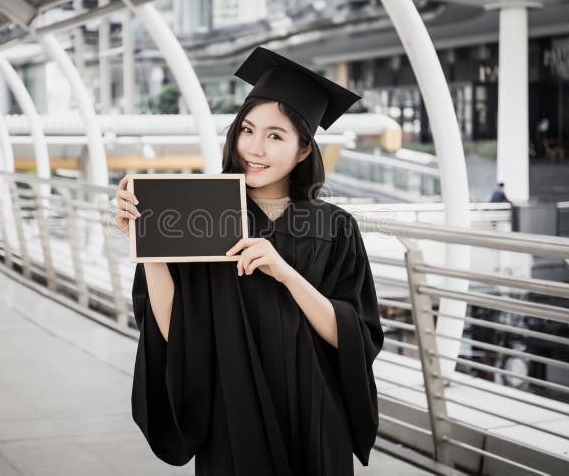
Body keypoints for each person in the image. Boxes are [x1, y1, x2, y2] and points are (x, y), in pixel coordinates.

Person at [116, 47, 383, 475]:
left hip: (315, 419)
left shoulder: (336, 227)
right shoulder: (201, 214)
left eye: (275, 136)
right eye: (247, 130)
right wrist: (146, 244)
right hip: (232, 419)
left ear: (302, 150)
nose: (254, 148)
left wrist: (286, 273)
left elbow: (355, 335)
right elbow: (173, 328)